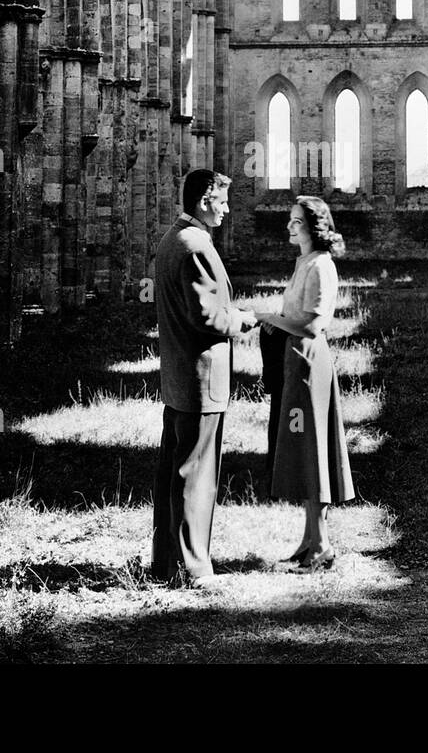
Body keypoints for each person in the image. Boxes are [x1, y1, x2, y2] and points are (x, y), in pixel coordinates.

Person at [151, 169, 257, 588]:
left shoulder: (171, 239)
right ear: (204, 201)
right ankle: (192, 569)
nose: (228, 211)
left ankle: (166, 562)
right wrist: (244, 319)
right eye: (223, 202)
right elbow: (207, 316)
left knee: (174, 473)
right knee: (196, 476)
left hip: (179, 376)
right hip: (199, 377)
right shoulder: (195, 245)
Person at [258, 196, 356, 571]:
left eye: (296, 221)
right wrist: (279, 321)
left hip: (309, 364)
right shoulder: (304, 263)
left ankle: (321, 547)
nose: (289, 226)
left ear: (314, 227)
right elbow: (296, 315)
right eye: (289, 220)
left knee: (313, 451)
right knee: (302, 450)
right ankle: (309, 540)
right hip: (294, 360)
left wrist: (272, 317)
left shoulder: (320, 266)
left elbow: (313, 324)